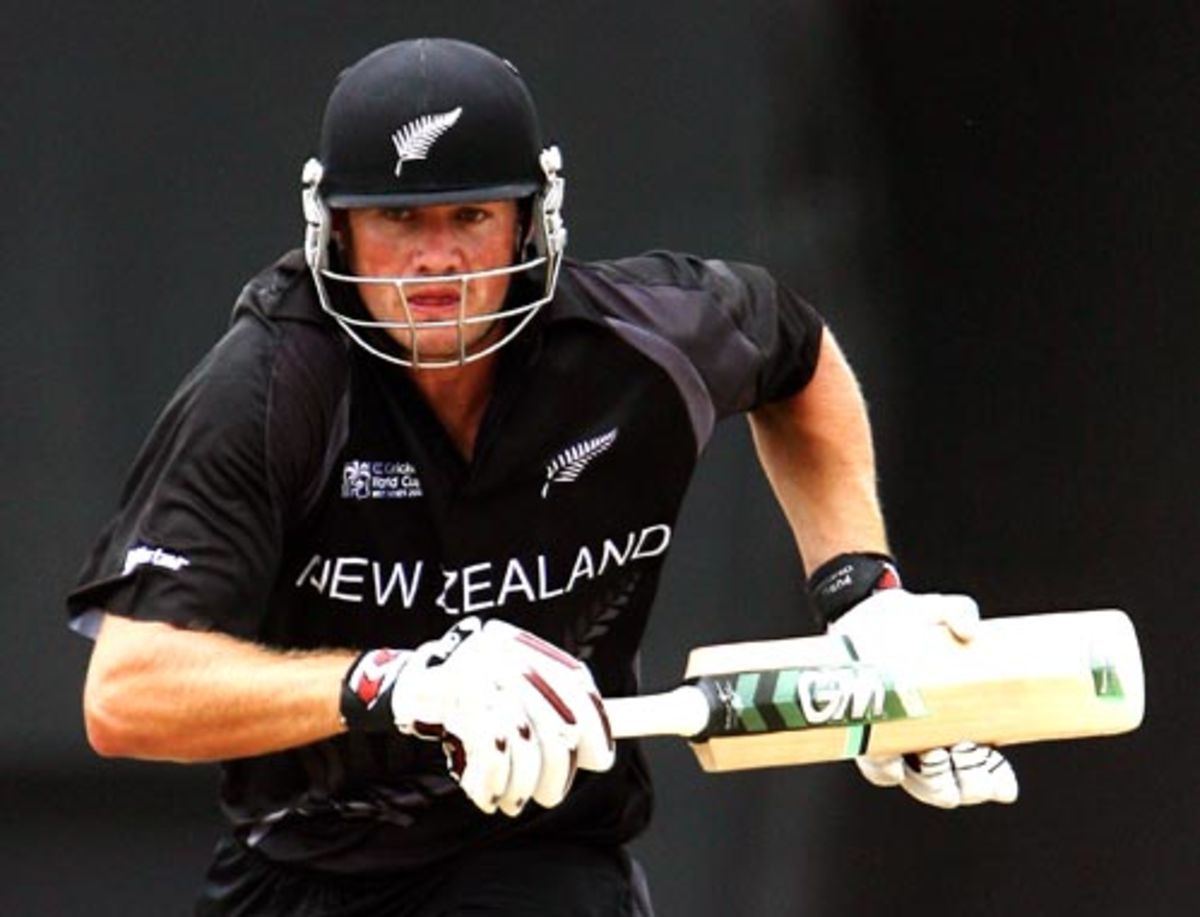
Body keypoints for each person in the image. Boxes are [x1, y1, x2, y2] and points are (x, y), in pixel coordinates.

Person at [68, 38, 1017, 917]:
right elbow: (126, 693)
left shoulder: (641, 342)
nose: (435, 260)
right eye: (397, 218)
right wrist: (400, 683)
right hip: (304, 870)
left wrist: (860, 595)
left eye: (471, 215)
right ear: (335, 229)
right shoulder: (271, 387)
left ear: (532, 219)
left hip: (541, 854)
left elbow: (796, 355)